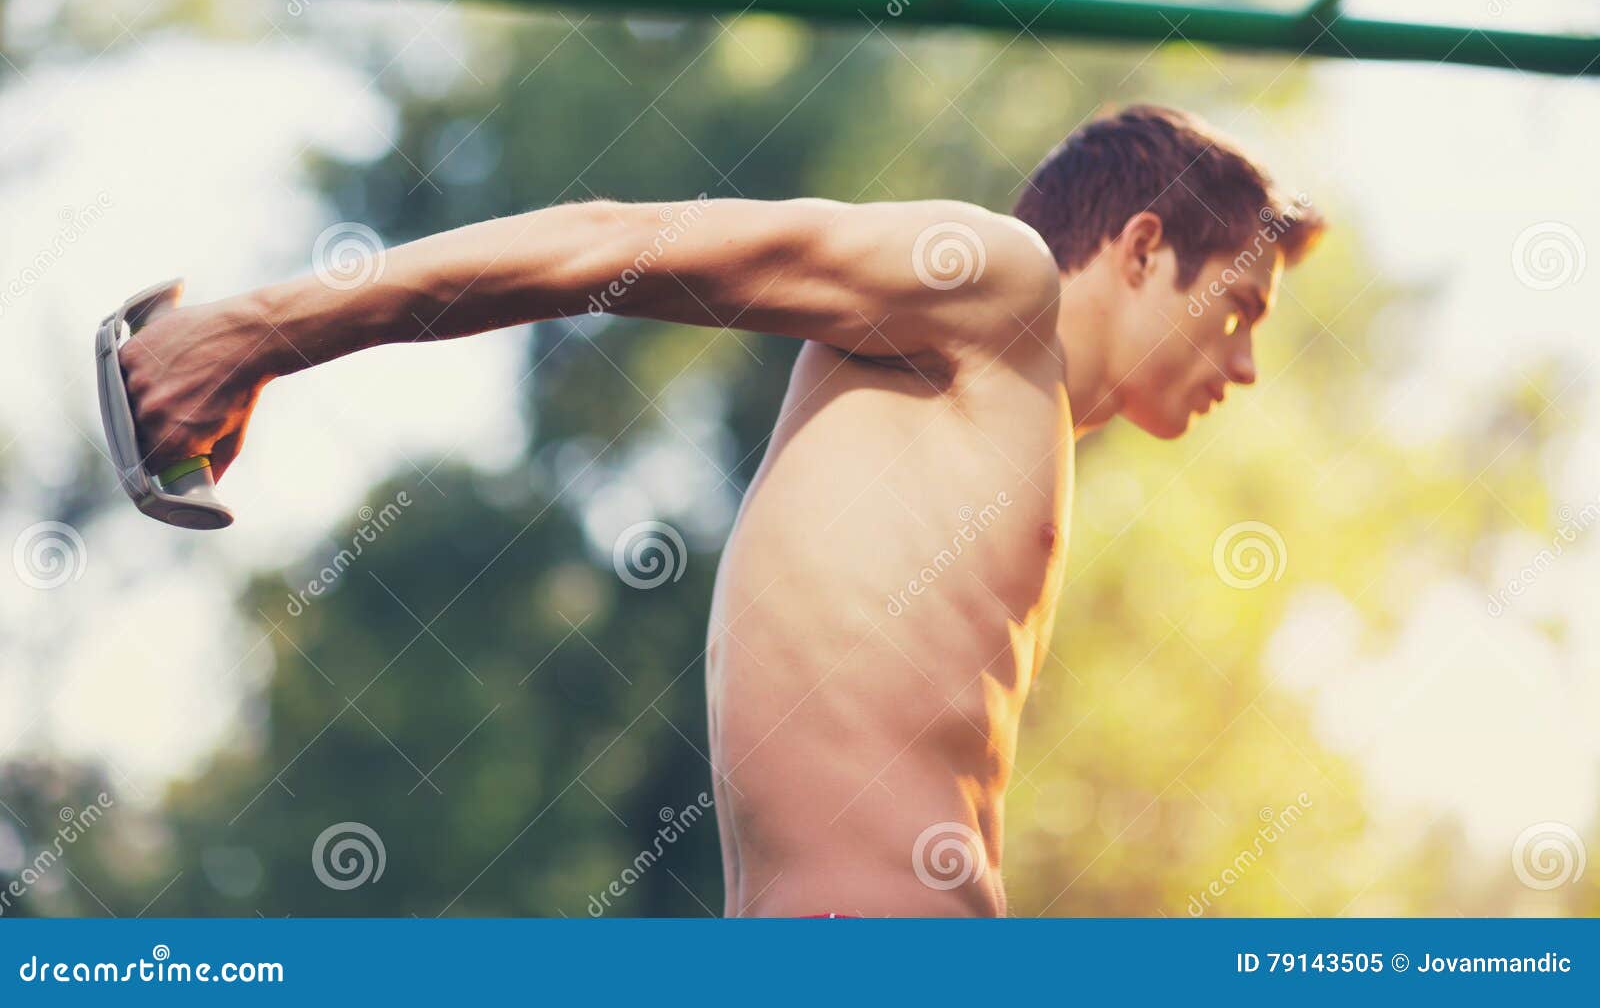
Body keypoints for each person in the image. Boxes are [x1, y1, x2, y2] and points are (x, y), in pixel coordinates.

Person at [118, 104, 1323, 917]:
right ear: (1141, 244)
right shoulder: (991, 280)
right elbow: (615, 245)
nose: (1251, 361)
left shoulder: (1016, 415)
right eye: (1245, 304)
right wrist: (253, 332)